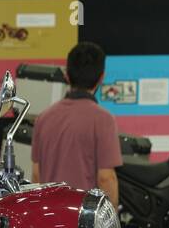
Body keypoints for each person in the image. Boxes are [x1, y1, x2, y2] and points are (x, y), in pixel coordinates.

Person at [31, 42, 122, 206]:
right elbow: (106, 178)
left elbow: (37, 175)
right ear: (101, 78)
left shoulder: (43, 118)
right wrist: (111, 222)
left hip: (49, 218)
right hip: (84, 223)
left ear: (66, 75)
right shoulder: (103, 119)